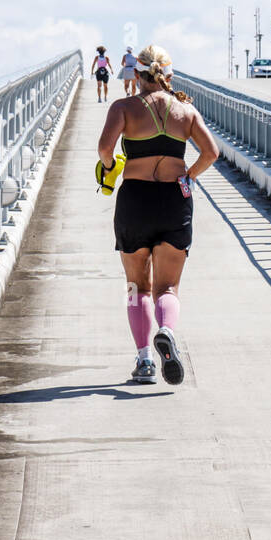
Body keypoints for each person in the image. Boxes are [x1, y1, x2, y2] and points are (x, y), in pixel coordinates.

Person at [97, 45, 219, 385]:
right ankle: (165, 331)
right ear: (169, 76)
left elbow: (106, 148)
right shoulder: (185, 110)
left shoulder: (124, 107)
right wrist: (189, 176)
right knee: (168, 287)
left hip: (135, 200)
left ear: (136, 75)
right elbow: (212, 152)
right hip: (173, 200)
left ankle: (145, 361)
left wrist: (110, 168)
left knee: (137, 286)